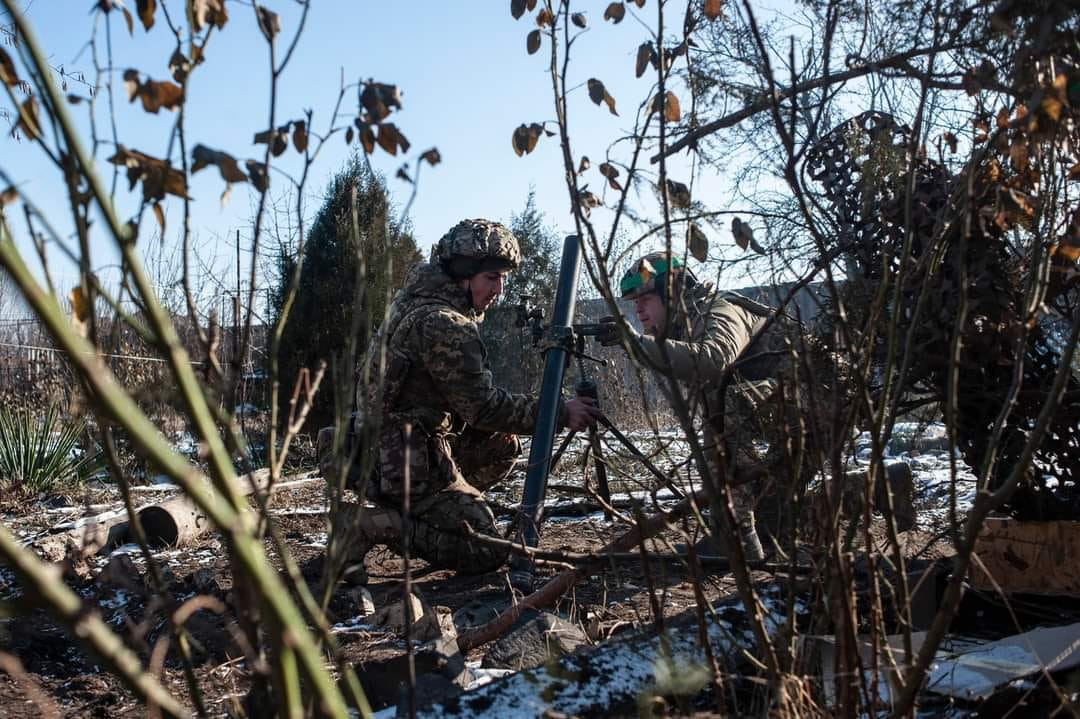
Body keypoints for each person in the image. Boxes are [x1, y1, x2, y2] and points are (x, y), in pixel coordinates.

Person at [320, 218, 600, 585]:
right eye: (491, 277)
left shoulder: (412, 302)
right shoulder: (445, 323)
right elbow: (482, 407)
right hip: (405, 462)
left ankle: (437, 513)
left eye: (502, 278)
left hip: (379, 450)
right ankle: (374, 523)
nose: (499, 289)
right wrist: (559, 412)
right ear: (463, 274)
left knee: (502, 446)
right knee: (486, 550)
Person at [597, 251, 787, 561]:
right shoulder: (682, 327)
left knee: (724, 411)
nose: (638, 308)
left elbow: (713, 360)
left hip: (820, 400)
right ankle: (742, 538)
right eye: (635, 301)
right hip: (795, 408)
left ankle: (736, 540)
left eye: (646, 298)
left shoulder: (717, 310)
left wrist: (639, 344)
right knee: (779, 522)